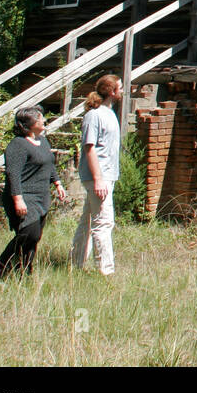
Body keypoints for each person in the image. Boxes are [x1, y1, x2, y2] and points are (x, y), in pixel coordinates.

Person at [0, 105, 67, 278]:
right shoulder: (17, 145)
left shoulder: (43, 141)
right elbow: (13, 173)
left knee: (35, 237)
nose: (44, 120)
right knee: (28, 234)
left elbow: (49, 163)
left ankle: (24, 271)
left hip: (42, 196)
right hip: (24, 197)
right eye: (40, 118)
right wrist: (18, 199)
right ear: (30, 123)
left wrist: (57, 183)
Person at [71, 74, 125, 276]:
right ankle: (106, 271)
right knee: (104, 222)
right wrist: (98, 179)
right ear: (112, 91)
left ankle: (75, 263)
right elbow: (89, 149)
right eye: (119, 87)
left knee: (87, 220)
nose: (122, 90)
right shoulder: (94, 116)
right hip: (98, 177)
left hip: (106, 176)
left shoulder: (109, 113)